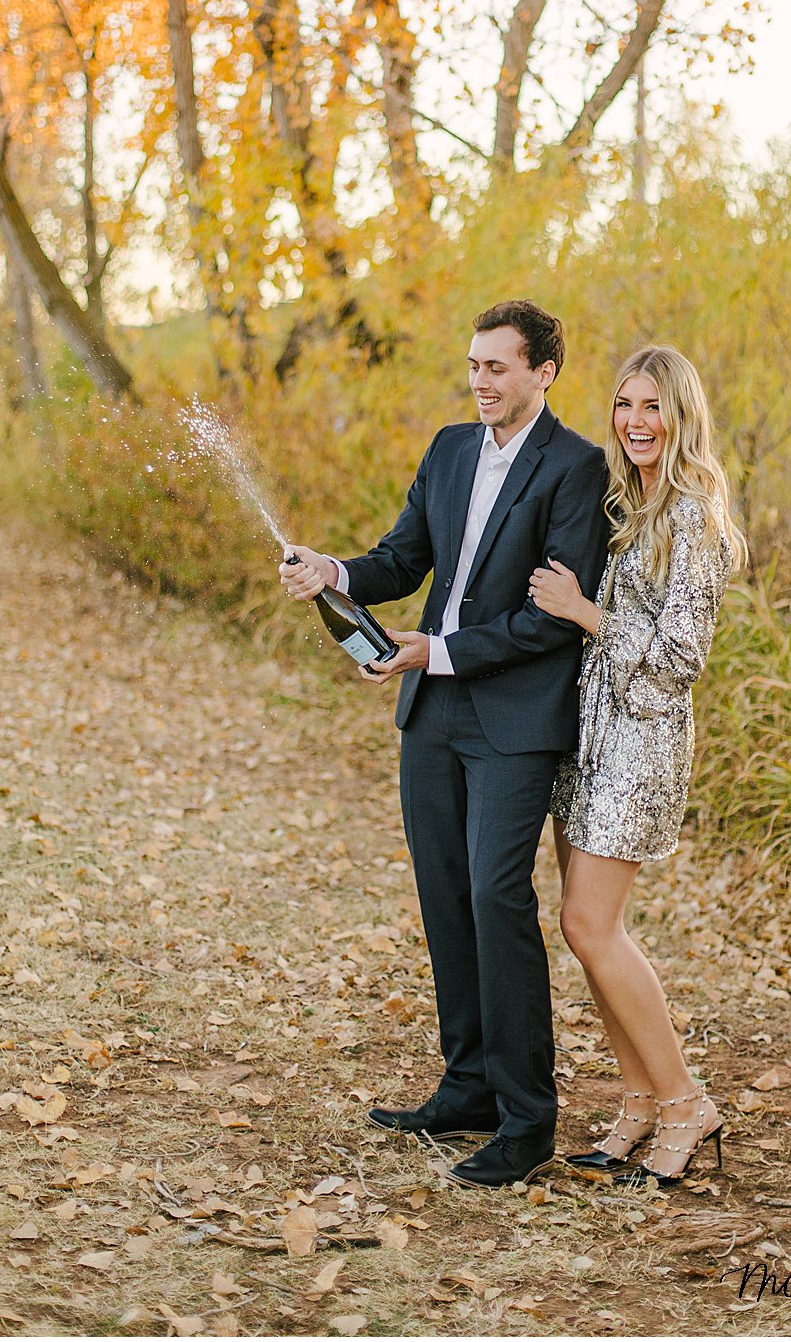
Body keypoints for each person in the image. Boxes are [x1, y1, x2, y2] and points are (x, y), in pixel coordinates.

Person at [281, 300, 611, 1188]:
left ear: (544, 371)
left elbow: (555, 617)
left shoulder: (577, 468)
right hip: (430, 712)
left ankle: (526, 1117)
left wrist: (444, 649)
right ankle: (465, 1083)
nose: (480, 381)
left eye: (497, 366)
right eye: (473, 365)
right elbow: (401, 559)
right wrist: (335, 572)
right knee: (444, 896)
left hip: (513, 720)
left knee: (498, 895)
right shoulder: (449, 448)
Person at [525, 344, 745, 1185]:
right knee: (588, 934)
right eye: (624, 405)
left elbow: (680, 658)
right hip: (588, 735)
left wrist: (585, 612)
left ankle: (686, 1099)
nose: (635, 422)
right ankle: (640, 1100)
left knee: (591, 923)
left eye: (653, 406)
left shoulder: (691, 511)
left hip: (643, 742)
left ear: (680, 415)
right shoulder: (630, 501)